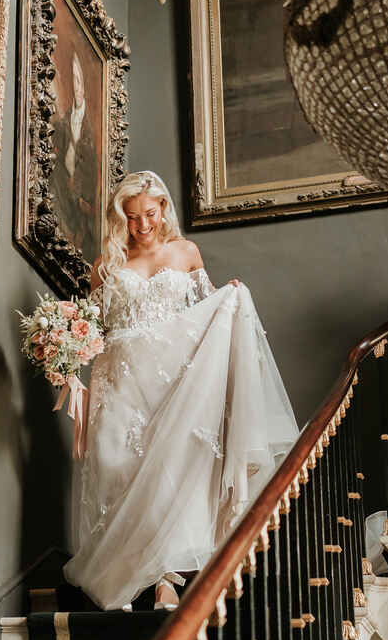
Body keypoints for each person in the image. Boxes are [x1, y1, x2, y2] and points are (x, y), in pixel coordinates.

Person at [63, 170, 298, 609]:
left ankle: (165, 579)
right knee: (118, 470)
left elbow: (206, 308)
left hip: (173, 382)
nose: (142, 225)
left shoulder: (186, 252)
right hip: (119, 382)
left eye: (149, 214)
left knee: (167, 479)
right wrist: (63, 348)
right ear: (121, 219)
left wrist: (228, 296)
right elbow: (90, 327)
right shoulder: (106, 264)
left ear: (163, 208)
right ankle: (127, 575)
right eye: (131, 218)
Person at [50, 50, 98, 263]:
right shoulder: (63, 123)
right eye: (73, 81)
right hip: (63, 190)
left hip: (81, 199)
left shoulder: (91, 130)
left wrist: (81, 197)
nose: (76, 87)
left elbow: (91, 172)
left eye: (79, 81)